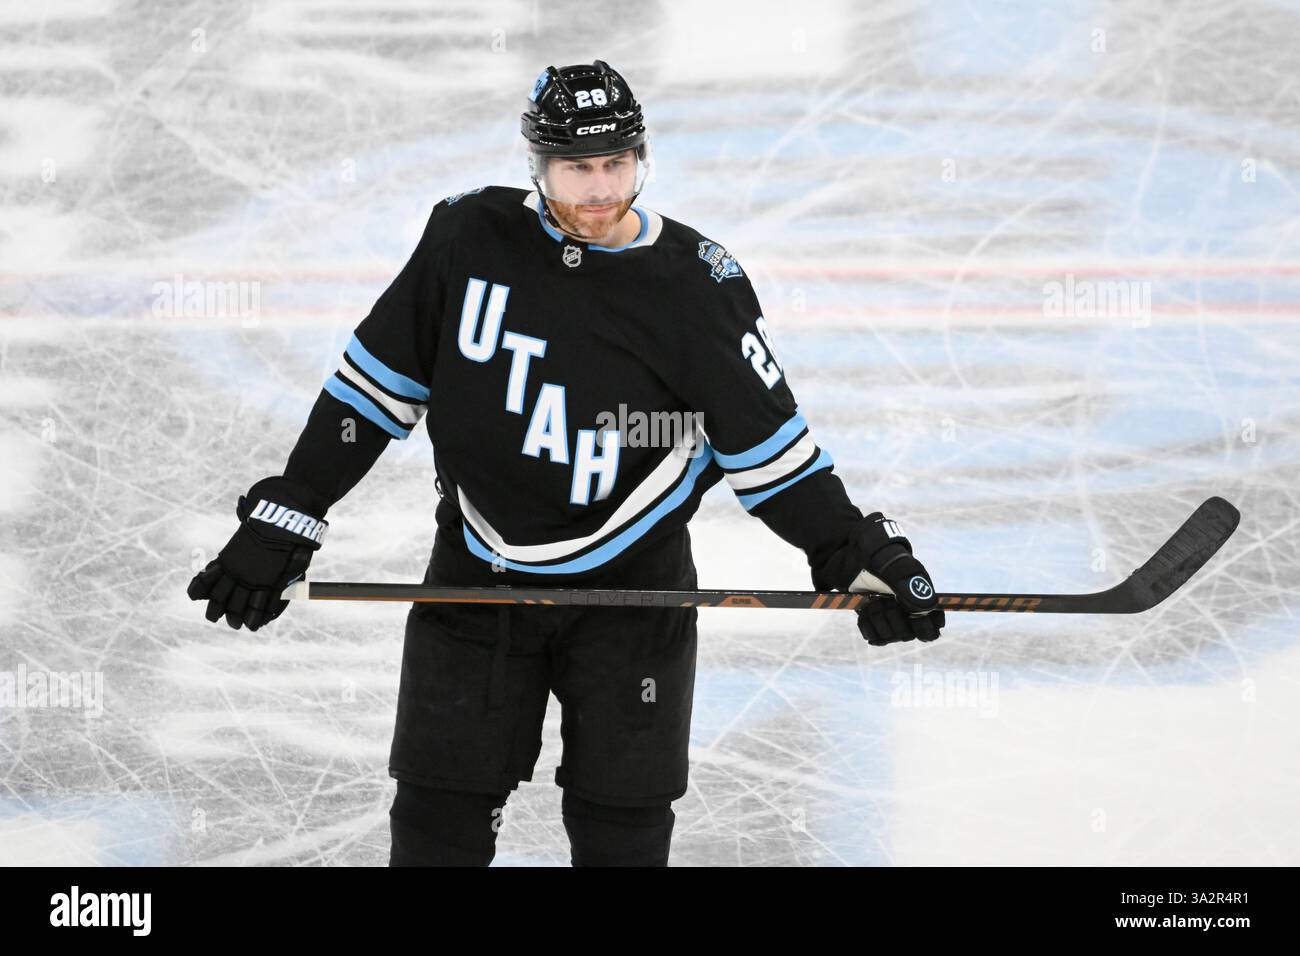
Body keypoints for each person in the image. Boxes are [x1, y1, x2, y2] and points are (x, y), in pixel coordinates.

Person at [187, 60, 945, 867]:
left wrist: (854, 554)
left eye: (616, 163)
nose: (597, 188)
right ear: (536, 165)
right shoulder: (467, 236)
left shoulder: (696, 286)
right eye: (576, 167)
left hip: (633, 596)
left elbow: (776, 461)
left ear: (641, 158)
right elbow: (373, 394)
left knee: (622, 835)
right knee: (435, 829)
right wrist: (292, 509)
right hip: (474, 581)